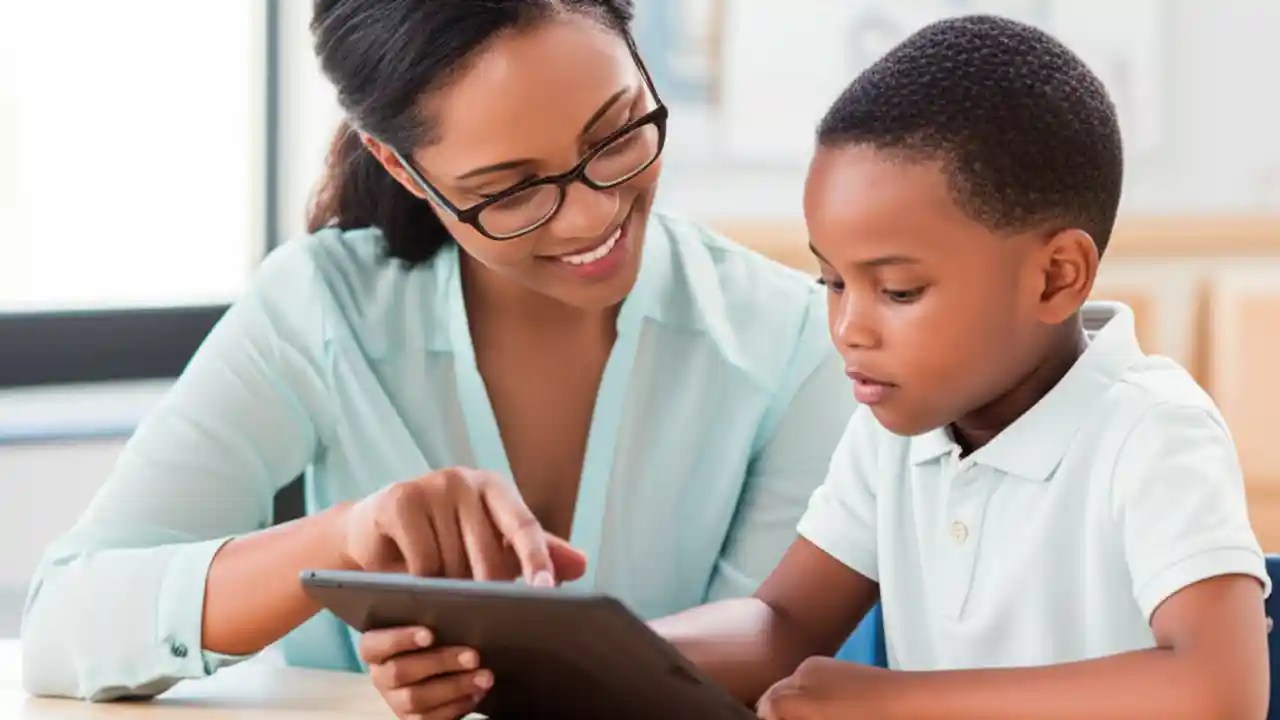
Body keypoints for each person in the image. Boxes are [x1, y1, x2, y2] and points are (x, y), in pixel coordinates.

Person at [20, 1, 853, 717]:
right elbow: (64, 621)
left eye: (616, 132)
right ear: (401, 166)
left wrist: (506, 671)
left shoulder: (789, 339)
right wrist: (347, 539)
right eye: (512, 189)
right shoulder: (320, 309)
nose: (591, 216)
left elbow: (775, 646)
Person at [656, 15, 1271, 719]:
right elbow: (782, 625)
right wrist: (595, 650)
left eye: (898, 291)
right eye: (832, 282)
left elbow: (1220, 691)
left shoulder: (1154, 432)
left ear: (1054, 278)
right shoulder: (892, 431)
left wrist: (898, 704)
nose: (849, 328)